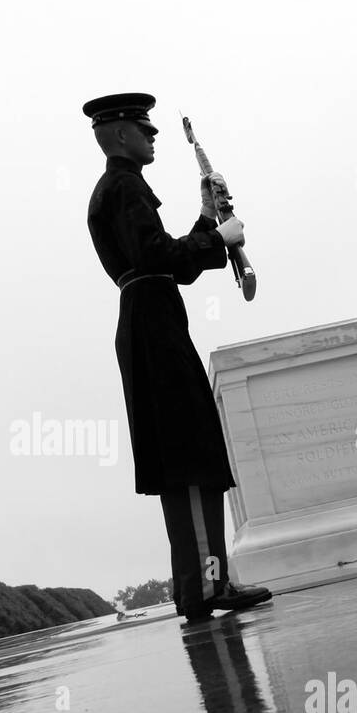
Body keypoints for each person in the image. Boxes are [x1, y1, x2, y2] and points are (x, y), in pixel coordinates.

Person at [83, 92, 272, 623]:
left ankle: (208, 584)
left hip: (156, 320)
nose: (153, 135)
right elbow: (158, 257)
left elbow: (171, 265)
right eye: (144, 128)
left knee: (195, 457)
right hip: (153, 330)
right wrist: (218, 236)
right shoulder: (122, 187)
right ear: (119, 134)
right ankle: (208, 588)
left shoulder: (125, 188)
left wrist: (209, 217)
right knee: (189, 463)